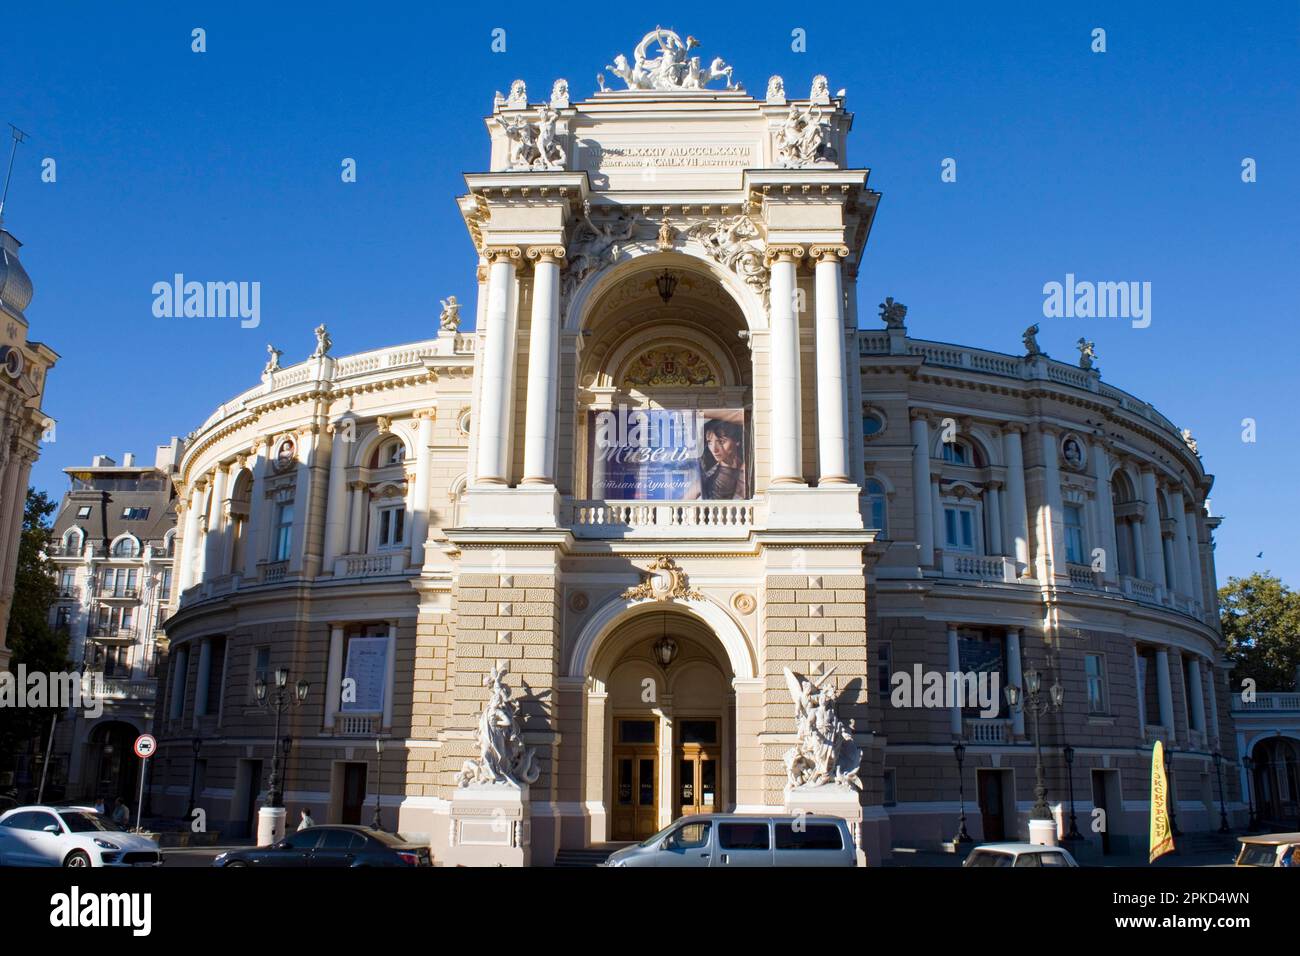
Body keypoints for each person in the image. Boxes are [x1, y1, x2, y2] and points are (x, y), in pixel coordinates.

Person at [699, 418, 747, 500]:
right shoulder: (706, 478)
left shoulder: (749, 468)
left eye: (721, 442)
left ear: (737, 441)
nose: (714, 449)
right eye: (709, 442)